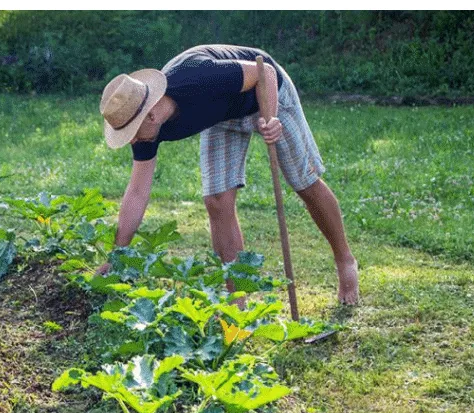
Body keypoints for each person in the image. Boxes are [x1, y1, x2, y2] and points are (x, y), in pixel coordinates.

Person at [97, 44, 359, 305]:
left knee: (305, 183)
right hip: (221, 116)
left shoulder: (196, 77)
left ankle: (345, 261)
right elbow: (137, 191)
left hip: (265, 93)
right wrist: (116, 255)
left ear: (151, 115)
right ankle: (237, 302)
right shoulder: (147, 129)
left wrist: (271, 119)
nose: (131, 141)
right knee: (217, 201)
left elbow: (263, 71)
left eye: (131, 133)